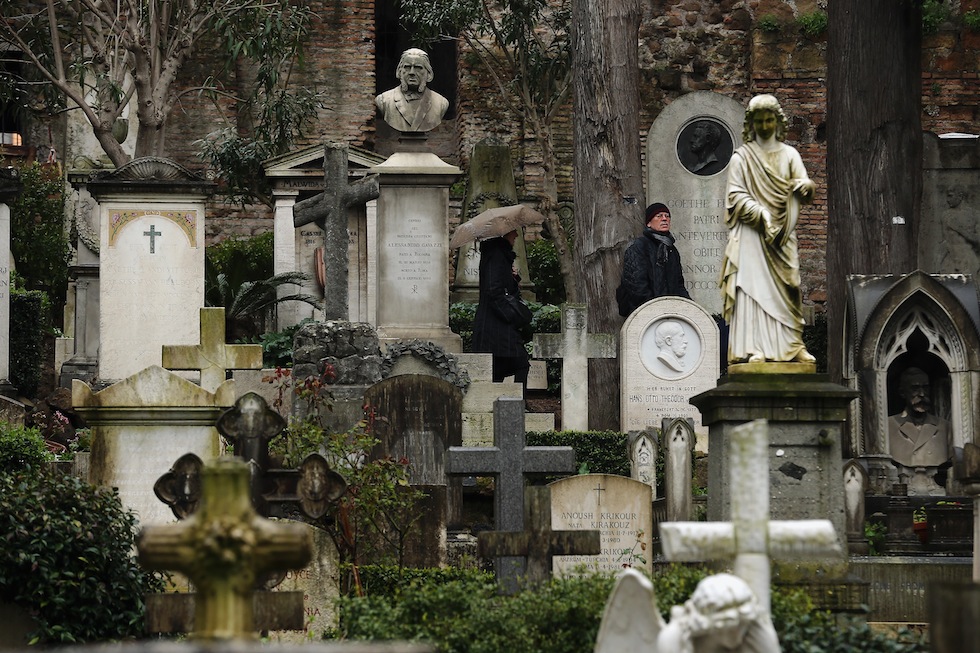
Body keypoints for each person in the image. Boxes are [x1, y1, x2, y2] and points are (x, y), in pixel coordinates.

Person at [720, 94, 816, 365]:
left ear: (777, 121)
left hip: (783, 234)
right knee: (752, 289)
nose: (764, 126)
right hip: (752, 233)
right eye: (759, 121)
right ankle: (754, 347)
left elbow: (805, 187)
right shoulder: (742, 158)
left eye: (769, 120)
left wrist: (806, 187)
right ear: (751, 123)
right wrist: (761, 215)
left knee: (791, 285)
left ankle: (793, 344)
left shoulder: (789, 154)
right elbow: (735, 197)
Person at [657, 573, 781, 653]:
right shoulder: (677, 638)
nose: (739, 631)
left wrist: (760, 624)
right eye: (731, 625)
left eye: (742, 623)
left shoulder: (749, 634)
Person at [472, 230, 531, 384]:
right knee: (520, 363)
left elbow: (501, 287)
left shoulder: (498, 255)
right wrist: (511, 316)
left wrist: (513, 278)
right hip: (497, 327)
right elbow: (493, 290)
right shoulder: (496, 255)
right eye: (513, 232)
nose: (516, 235)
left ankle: (507, 403)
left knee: (500, 370)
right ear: (504, 233)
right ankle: (519, 404)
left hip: (496, 327)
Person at [618, 202, 691, 317]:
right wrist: (654, 310)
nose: (664, 219)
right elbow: (636, 285)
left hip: (669, 313)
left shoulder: (671, 250)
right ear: (649, 223)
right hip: (644, 313)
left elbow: (678, 284)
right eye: (659, 216)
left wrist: (689, 307)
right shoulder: (639, 246)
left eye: (667, 216)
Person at [888, 366, 953, 495]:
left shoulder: (945, 427)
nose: (922, 394)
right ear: (902, 392)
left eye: (925, 387)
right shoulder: (888, 426)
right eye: (915, 388)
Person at [374, 48, 449, 133]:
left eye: (418, 67)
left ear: (428, 74)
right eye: (407, 67)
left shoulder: (441, 103)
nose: (412, 72)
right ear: (399, 71)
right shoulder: (384, 100)